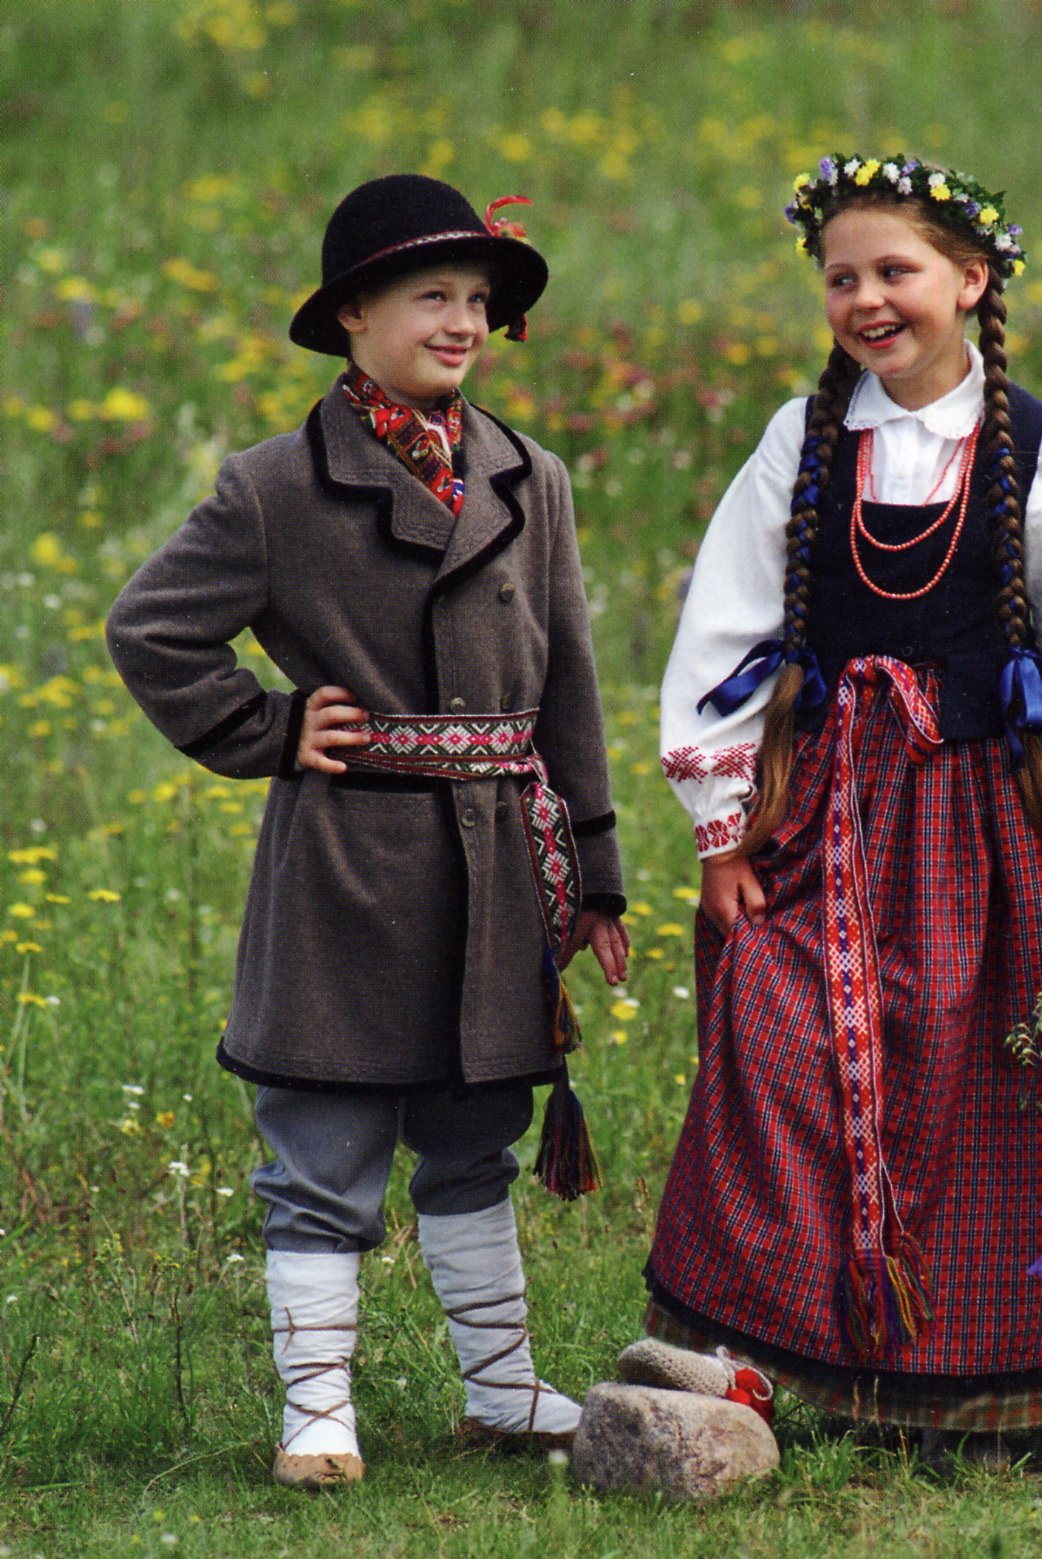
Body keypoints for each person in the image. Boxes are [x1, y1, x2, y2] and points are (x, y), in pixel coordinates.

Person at [618, 154, 1042, 1460]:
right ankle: (772, 1360)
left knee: (987, 1085)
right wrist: (723, 826)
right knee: (774, 1050)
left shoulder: (1036, 455)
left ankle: (991, 1399)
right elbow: (726, 622)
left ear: (971, 279)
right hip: (826, 813)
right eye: (842, 276)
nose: (868, 297)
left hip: (991, 832)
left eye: (896, 270)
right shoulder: (804, 441)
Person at [107, 174, 629, 1489]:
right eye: (429, 297)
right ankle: (316, 1414)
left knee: (475, 1133)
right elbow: (150, 628)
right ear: (354, 314)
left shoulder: (531, 478)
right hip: (346, 867)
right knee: (326, 1141)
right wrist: (270, 731)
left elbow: (567, 680)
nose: (461, 323)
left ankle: (503, 1392)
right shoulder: (276, 487)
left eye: (477, 301)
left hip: (497, 873)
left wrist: (602, 878)